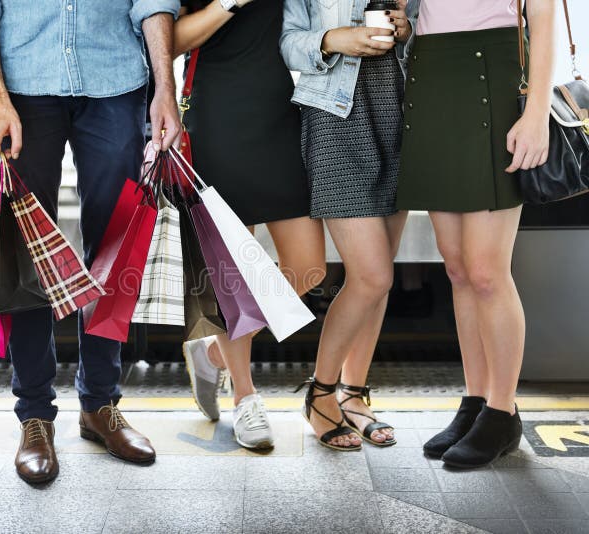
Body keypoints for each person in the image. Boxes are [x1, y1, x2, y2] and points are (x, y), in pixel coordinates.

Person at [0, 0, 182, 483]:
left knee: (115, 246)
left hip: (116, 79)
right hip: (22, 83)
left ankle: (100, 402)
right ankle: (34, 413)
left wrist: (167, 87)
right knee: (27, 251)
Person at [396, 0, 554, 468]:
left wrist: (537, 111)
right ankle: (476, 401)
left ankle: (503, 413)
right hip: (431, 76)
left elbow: (542, 17)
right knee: (458, 268)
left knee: (487, 271)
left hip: (491, 69)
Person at [176, 0, 326, 451]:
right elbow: (172, 40)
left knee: (310, 268)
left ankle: (214, 353)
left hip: (279, 112)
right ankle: (245, 395)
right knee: (232, 276)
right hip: (217, 115)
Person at [280, 0, 412, 451]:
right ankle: (321, 394)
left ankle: (354, 395)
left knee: (377, 281)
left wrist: (406, 29)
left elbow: (421, 35)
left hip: (402, 113)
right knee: (373, 276)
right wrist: (334, 40)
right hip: (335, 117)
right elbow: (287, 43)